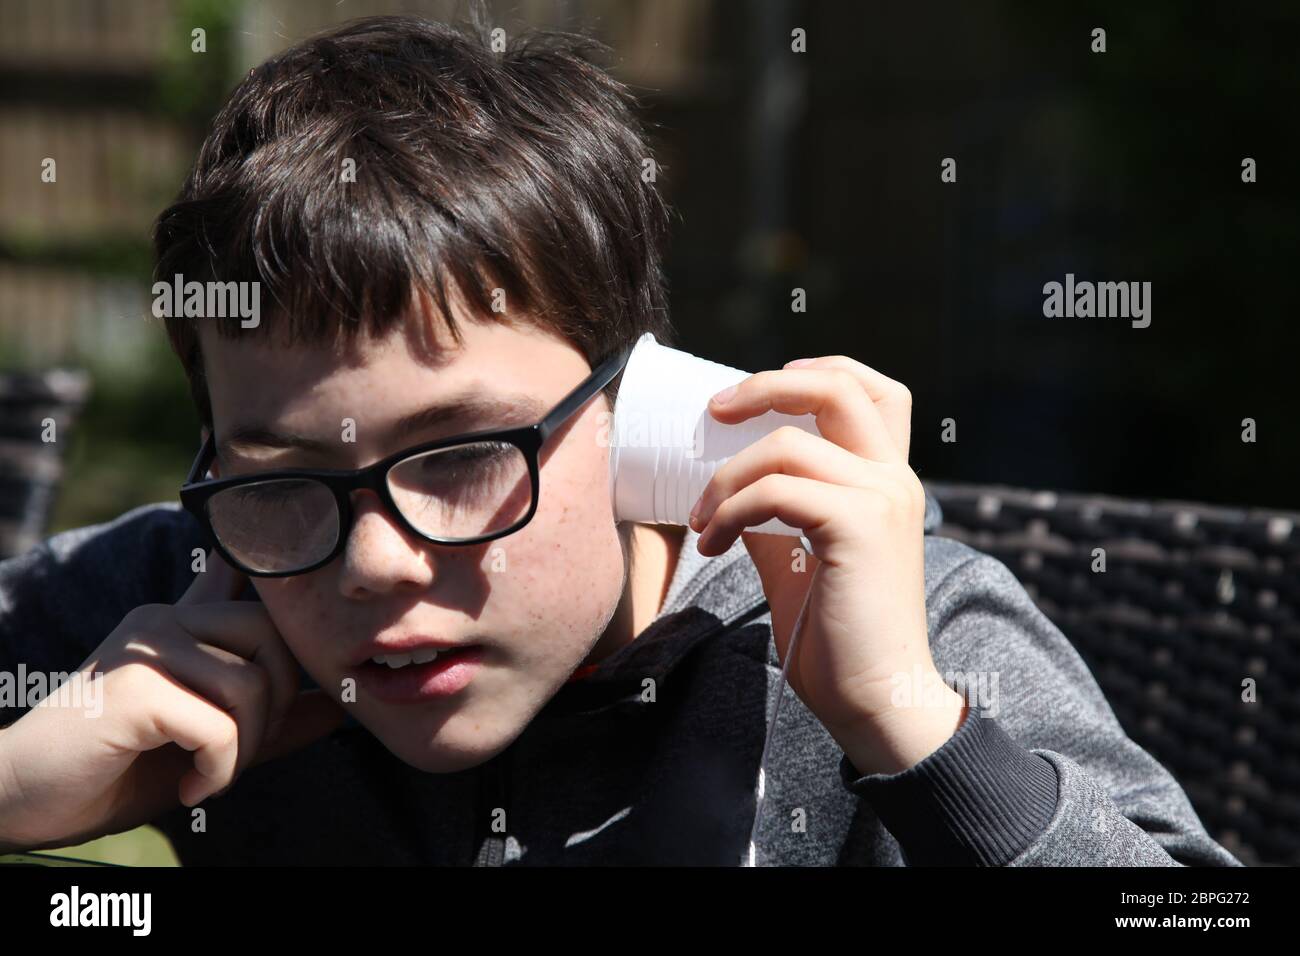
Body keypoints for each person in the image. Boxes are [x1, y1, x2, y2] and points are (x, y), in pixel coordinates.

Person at [0, 12, 1240, 866]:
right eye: (279, 477)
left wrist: (913, 727)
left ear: (649, 411)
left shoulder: (875, 626)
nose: (369, 564)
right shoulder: (214, 588)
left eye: (459, 454)